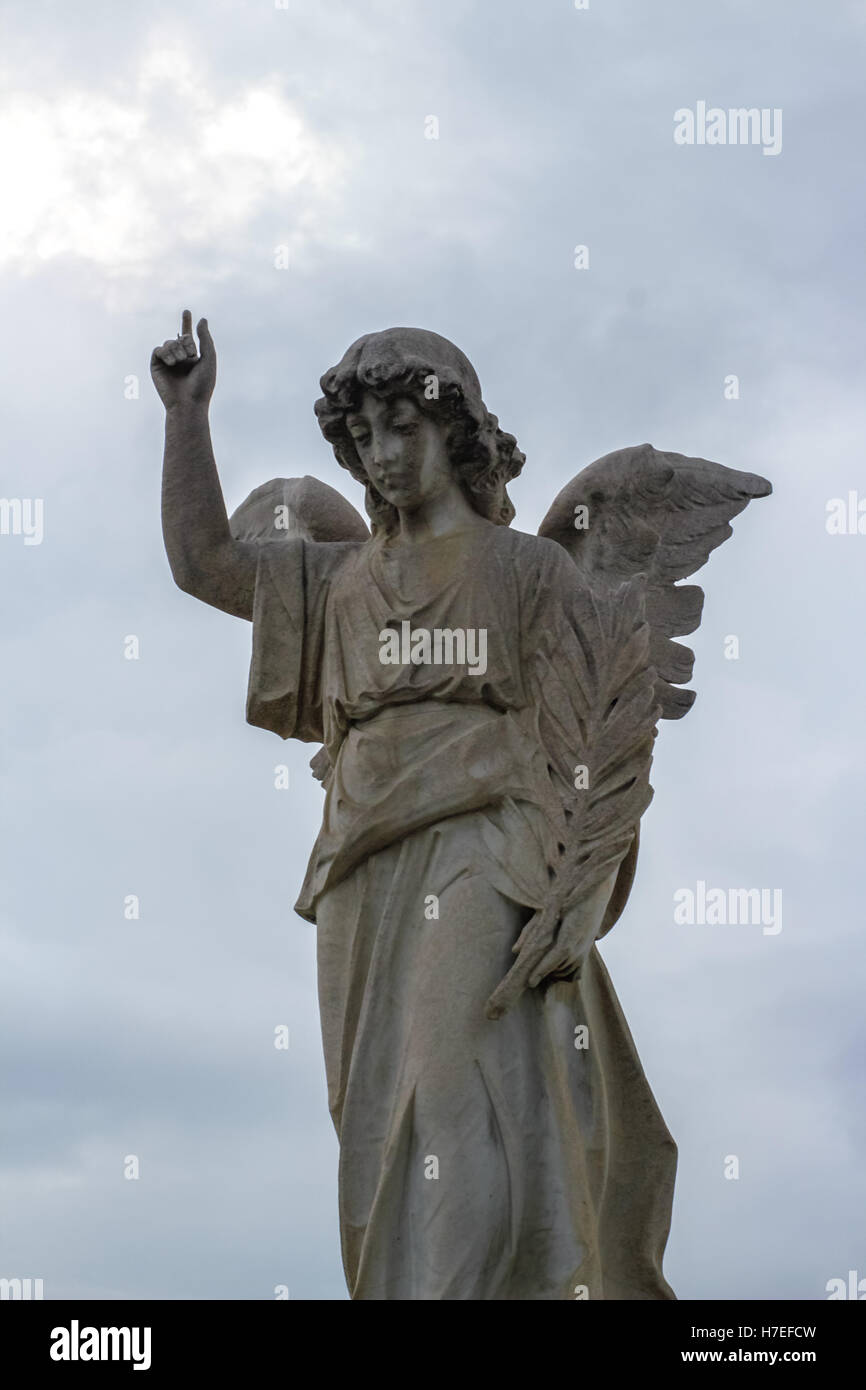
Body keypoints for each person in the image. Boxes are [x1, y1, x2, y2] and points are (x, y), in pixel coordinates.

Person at [152, 313, 677, 1300]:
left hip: (484, 843)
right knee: (367, 1114)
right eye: (363, 438)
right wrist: (188, 417)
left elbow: (604, 739)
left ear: (455, 431)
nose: (383, 456)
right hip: (357, 857)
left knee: (450, 1084)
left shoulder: (528, 571)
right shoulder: (337, 577)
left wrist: (577, 888)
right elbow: (203, 565)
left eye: (404, 427)